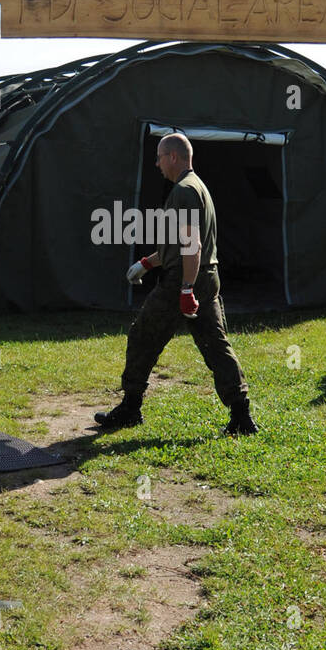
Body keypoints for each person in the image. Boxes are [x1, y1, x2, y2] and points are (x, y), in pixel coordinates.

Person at [94, 132, 258, 435]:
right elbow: (181, 244)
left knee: (142, 336)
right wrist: (147, 262)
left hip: (183, 280)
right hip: (207, 278)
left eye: (159, 157)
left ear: (173, 157)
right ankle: (241, 415)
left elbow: (191, 245)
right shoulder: (199, 188)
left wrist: (184, 289)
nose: (156, 164)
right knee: (216, 347)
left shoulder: (183, 191)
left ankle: (130, 407)